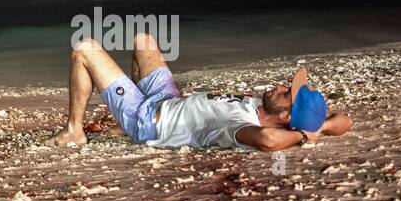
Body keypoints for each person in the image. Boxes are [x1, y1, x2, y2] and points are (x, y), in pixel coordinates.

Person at [50, 33, 352, 150]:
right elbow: (345, 121)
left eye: (286, 92)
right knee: (143, 40)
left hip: (150, 121)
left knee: (84, 49)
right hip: (169, 99)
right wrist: (318, 127)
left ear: (286, 115)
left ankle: (75, 130)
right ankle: (122, 117)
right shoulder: (261, 110)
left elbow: (268, 139)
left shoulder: (244, 127)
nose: (280, 86)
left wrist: (300, 135)